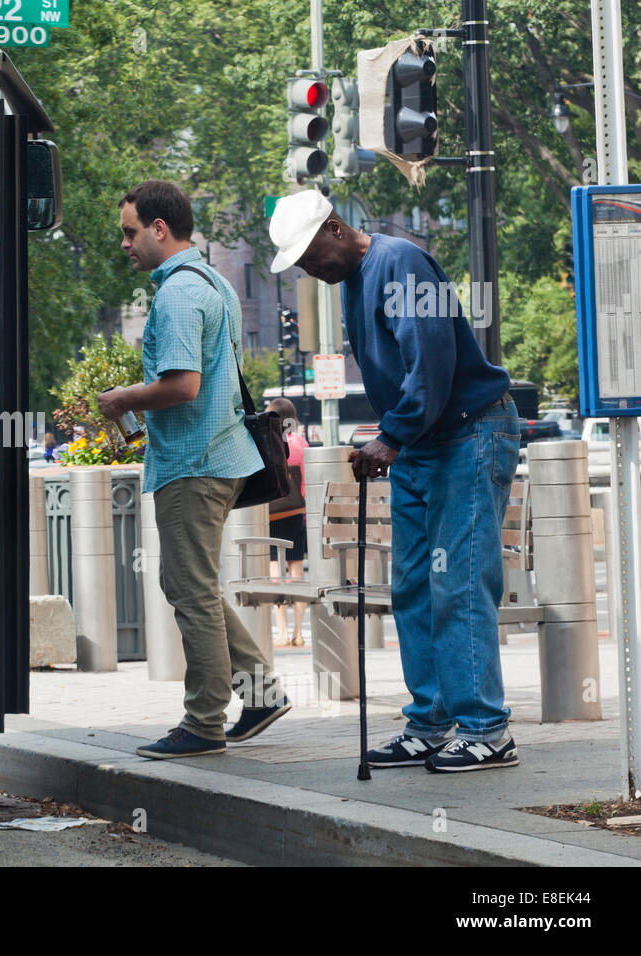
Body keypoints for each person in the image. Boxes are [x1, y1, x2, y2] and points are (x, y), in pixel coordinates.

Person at [269, 189, 519, 773]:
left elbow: (431, 360)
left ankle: (487, 728)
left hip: (467, 433)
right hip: (424, 442)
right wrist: (395, 436)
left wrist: (392, 435)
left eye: (310, 257)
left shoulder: (398, 261)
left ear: (334, 228)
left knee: (456, 579)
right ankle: (430, 722)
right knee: (413, 584)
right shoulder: (357, 279)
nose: (311, 270)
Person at [100, 179, 290, 759]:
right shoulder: (216, 284)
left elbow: (183, 385)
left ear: (161, 228)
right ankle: (260, 693)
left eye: (131, 233)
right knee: (191, 586)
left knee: (192, 592)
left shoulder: (178, 294)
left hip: (193, 463)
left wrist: (122, 399)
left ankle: (204, 722)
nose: (126, 245)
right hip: (219, 456)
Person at [265, 397, 308, 647]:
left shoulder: (269, 445)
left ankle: (281, 633)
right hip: (295, 515)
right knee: (296, 570)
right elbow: (305, 486)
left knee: (274, 572)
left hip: (271, 516)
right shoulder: (300, 445)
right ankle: (299, 632)